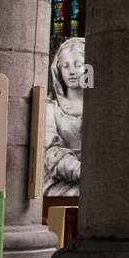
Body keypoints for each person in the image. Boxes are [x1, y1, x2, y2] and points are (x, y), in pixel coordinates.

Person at [44, 36, 86, 197]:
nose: (72, 71)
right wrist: (80, 170)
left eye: (78, 65)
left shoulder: (104, 106)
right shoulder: (51, 108)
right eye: (65, 66)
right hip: (62, 181)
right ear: (58, 70)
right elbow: (51, 152)